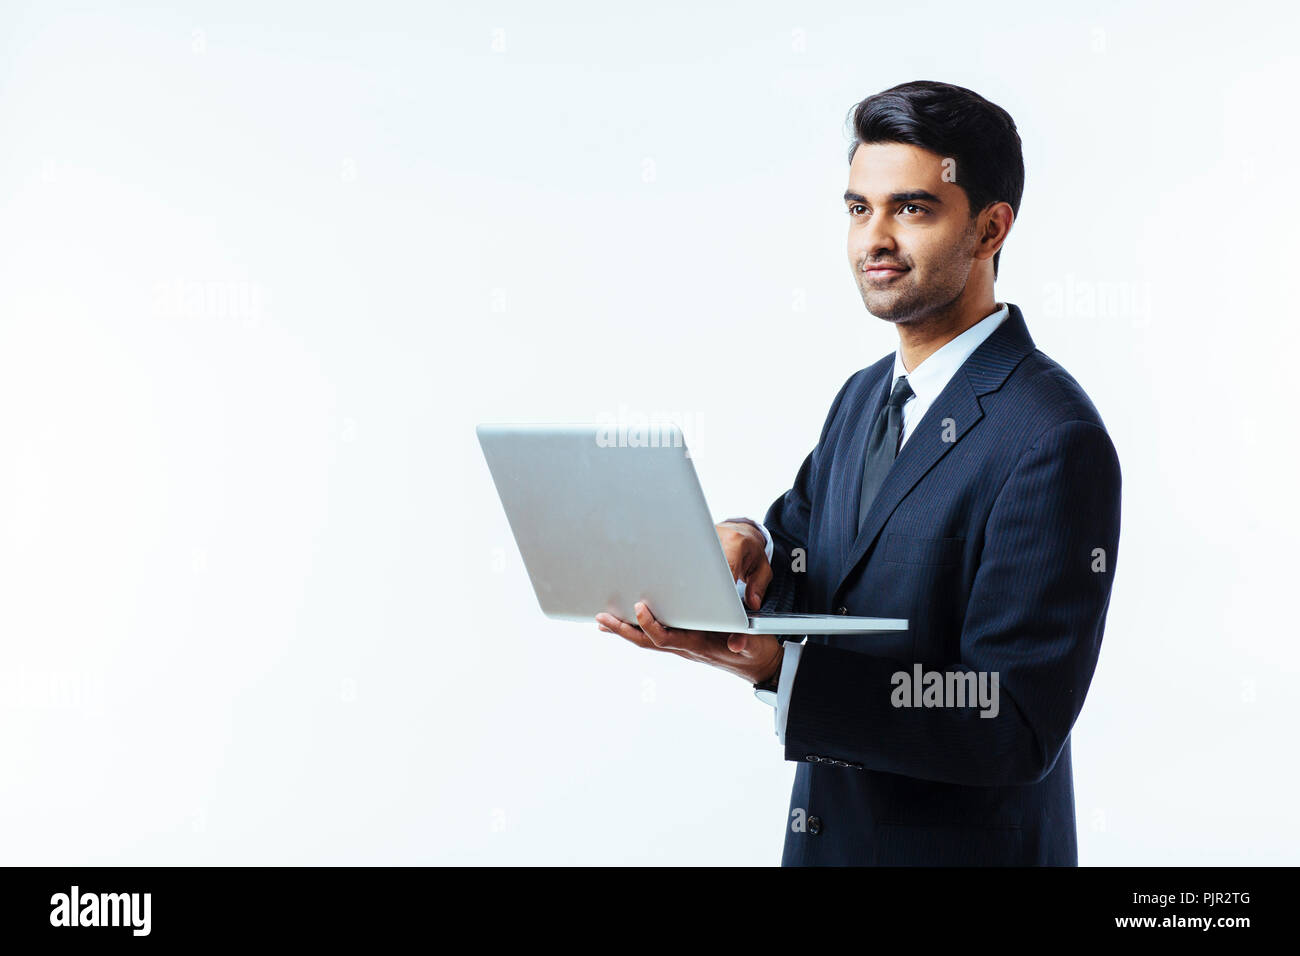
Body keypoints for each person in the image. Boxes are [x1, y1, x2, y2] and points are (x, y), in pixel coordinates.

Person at [597, 80, 1121, 866]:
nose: (873, 238)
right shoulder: (865, 396)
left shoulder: (1052, 438)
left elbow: (1011, 724)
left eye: (910, 208)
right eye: (857, 209)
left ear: (990, 227)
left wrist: (783, 671)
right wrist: (741, 548)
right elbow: (805, 557)